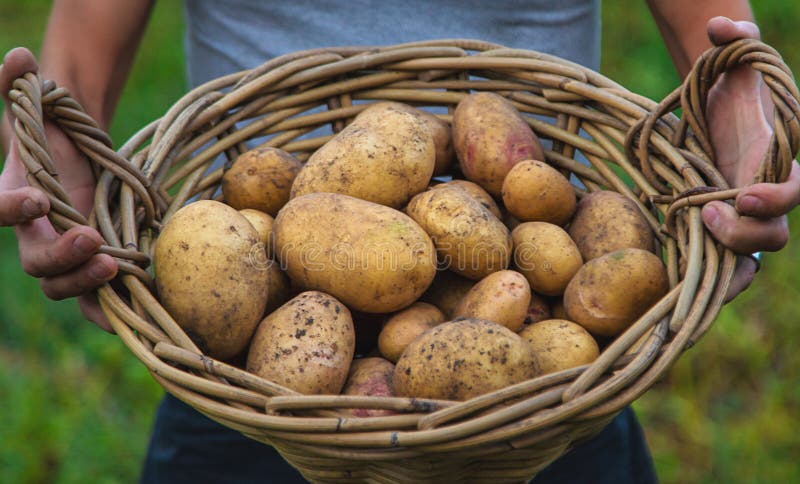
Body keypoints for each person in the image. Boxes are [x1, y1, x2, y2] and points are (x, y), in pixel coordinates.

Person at [1, 1, 797, 482]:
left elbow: (713, 33)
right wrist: (64, 142)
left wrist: (732, 96)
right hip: (244, 397)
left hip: (547, 414)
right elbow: (82, 40)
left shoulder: (543, 297)